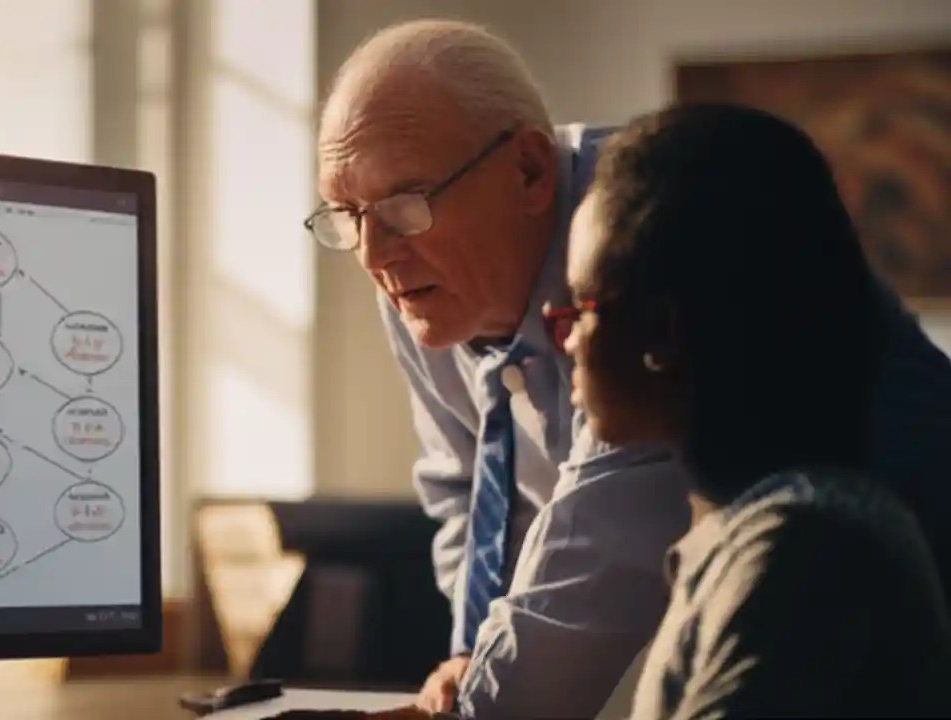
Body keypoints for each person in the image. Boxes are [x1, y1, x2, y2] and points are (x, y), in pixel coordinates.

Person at [307, 19, 691, 718]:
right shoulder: (418, 275)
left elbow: (606, 546)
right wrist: (469, 656)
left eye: (404, 204)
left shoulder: (640, 232)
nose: (373, 255)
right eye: (347, 214)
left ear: (530, 171)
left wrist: (471, 702)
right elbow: (465, 490)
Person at [550, 102, 951, 716]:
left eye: (582, 308)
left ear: (662, 332)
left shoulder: (800, 553)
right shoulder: (756, 530)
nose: (568, 337)